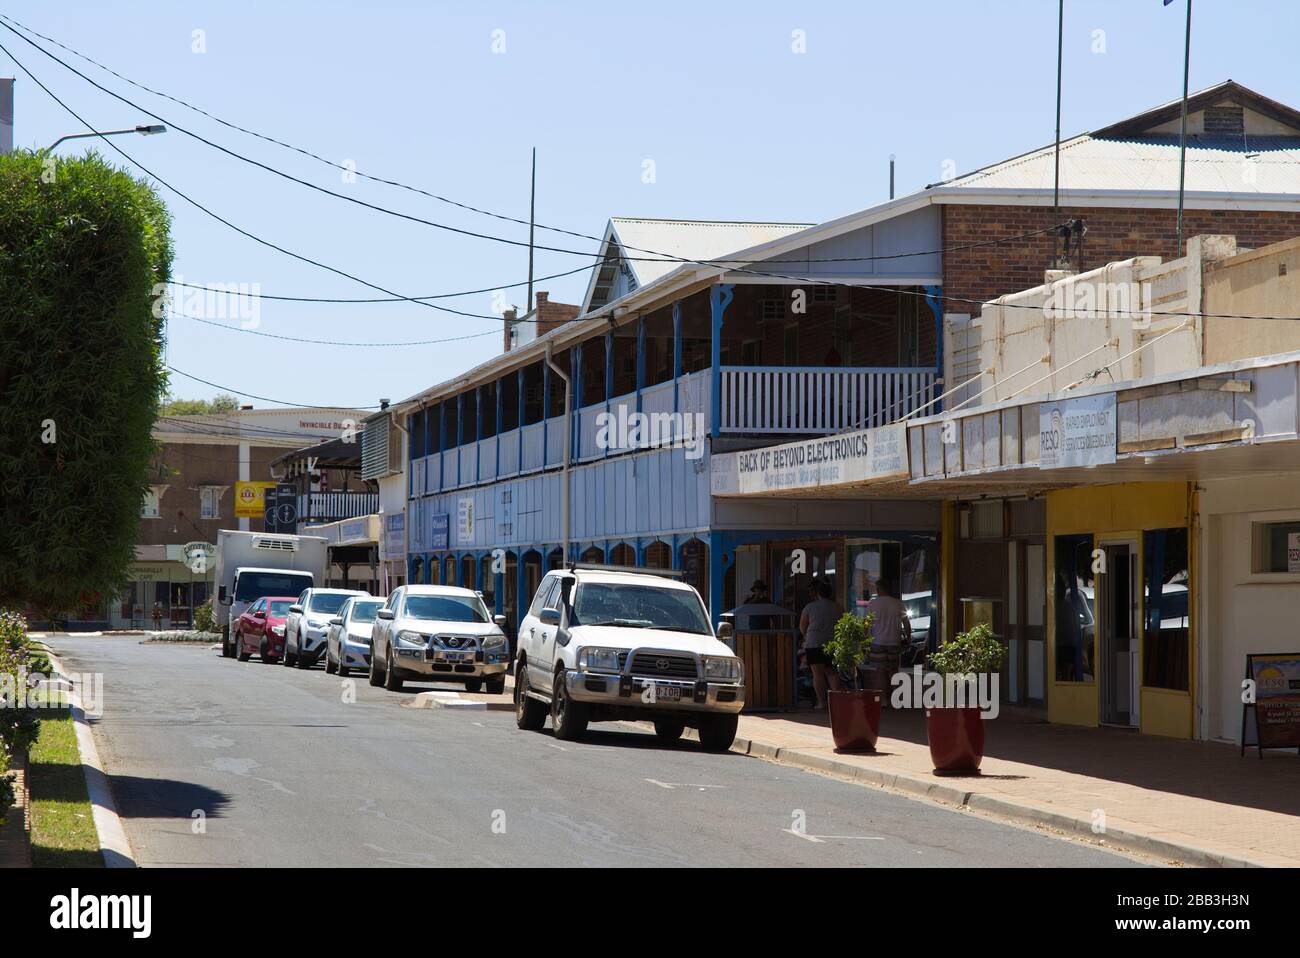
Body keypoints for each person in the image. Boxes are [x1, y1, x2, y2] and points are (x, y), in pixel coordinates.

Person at [863, 579, 911, 697]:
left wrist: (864, 640)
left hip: (877, 642)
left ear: (878, 589)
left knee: (880, 672)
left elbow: (866, 624)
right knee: (893, 671)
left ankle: (883, 699)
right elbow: (906, 624)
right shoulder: (898, 603)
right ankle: (896, 698)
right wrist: (908, 639)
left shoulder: (872, 604)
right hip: (894, 642)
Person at [799, 579, 842, 710]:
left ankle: (822, 702)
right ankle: (836, 701)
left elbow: (802, 626)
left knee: (817, 674)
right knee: (832, 672)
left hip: (814, 643)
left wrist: (806, 636)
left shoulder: (810, 607)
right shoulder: (838, 607)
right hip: (832, 643)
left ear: (818, 593)